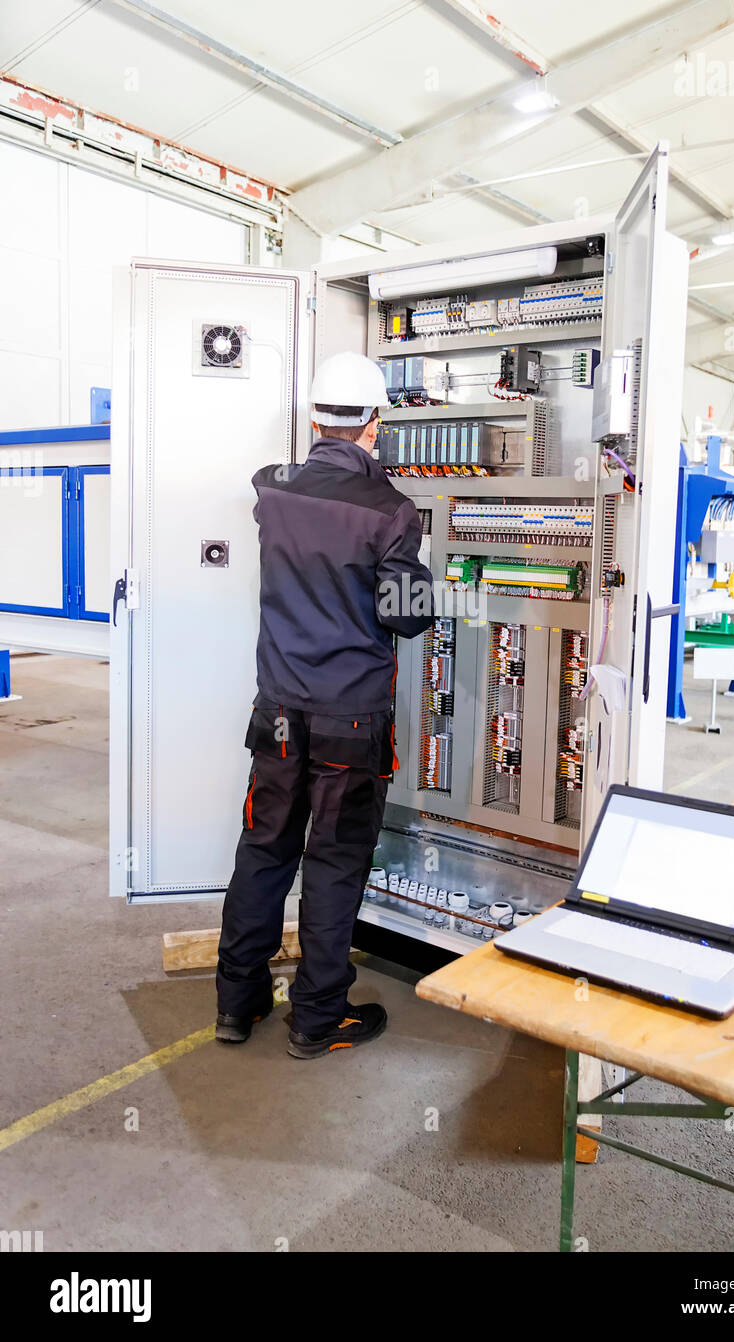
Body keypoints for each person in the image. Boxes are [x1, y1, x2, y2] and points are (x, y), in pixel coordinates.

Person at [215, 351, 434, 1058]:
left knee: (264, 851)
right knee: (334, 863)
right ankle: (315, 1019)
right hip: (350, 722)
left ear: (315, 419)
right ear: (376, 426)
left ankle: (237, 1003)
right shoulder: (391, 512)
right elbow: (405, 616)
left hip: (278, 715)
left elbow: (274, 482)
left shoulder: (272, 489)